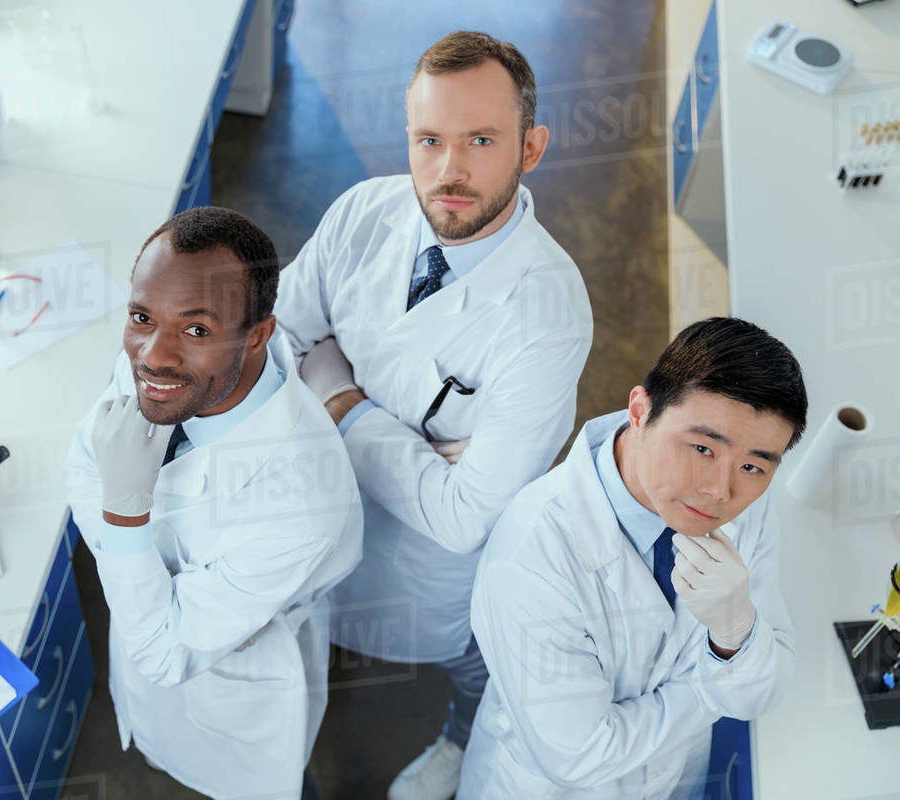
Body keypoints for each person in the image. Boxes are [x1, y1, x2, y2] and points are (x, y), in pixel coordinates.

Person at [272, 31, 593, 799]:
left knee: (477, 661)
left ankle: (460, 736)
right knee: (306, 632)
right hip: (320, 512)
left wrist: (339, 394)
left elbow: (460, 518)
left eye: (481, 140)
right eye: (429, 140)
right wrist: (417, 447)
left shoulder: (548, 315)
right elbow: (278, 334)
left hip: (433, 570)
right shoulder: (364, 213)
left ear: (532, 146)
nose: (450, 170)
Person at [64, 206, 363, 800]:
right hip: (164, 641)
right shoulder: (157, 366)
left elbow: (166, 654)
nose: (154, 354)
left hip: (239, 677)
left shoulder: (302, 500)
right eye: (141, 316)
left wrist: (125, 516)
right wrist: (143, 568)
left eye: (197, 329)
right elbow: (78, 467)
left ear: (258, 335)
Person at [460, 317, 807, 799]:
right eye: (703, 448)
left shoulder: (744, 500)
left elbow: (763, 691)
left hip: (677, 778)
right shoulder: (530, 553)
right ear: (641, 411)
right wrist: (716, 680)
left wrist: (734, 633)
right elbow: (579, 755)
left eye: (752, 466)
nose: (719, 491)